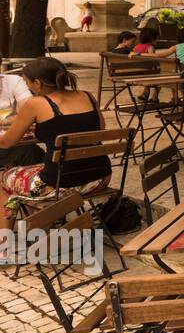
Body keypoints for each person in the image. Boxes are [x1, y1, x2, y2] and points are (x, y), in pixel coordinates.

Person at [0, 58, 112, 234]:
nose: (28, 87)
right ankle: (40, 223)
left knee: (4, 178)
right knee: (35, 166)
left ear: (37, 83)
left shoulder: (36, 104)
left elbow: (6, 142)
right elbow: (101, 128)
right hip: (100, 177)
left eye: (28, 83)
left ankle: (4, 242)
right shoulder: (87, 96)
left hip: (61, 184)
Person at [0, 70, 39, 169]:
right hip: (13, 142)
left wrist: (3, 121)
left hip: (13, 142)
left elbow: (30, 111)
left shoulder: (13, 81)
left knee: (30, 152)